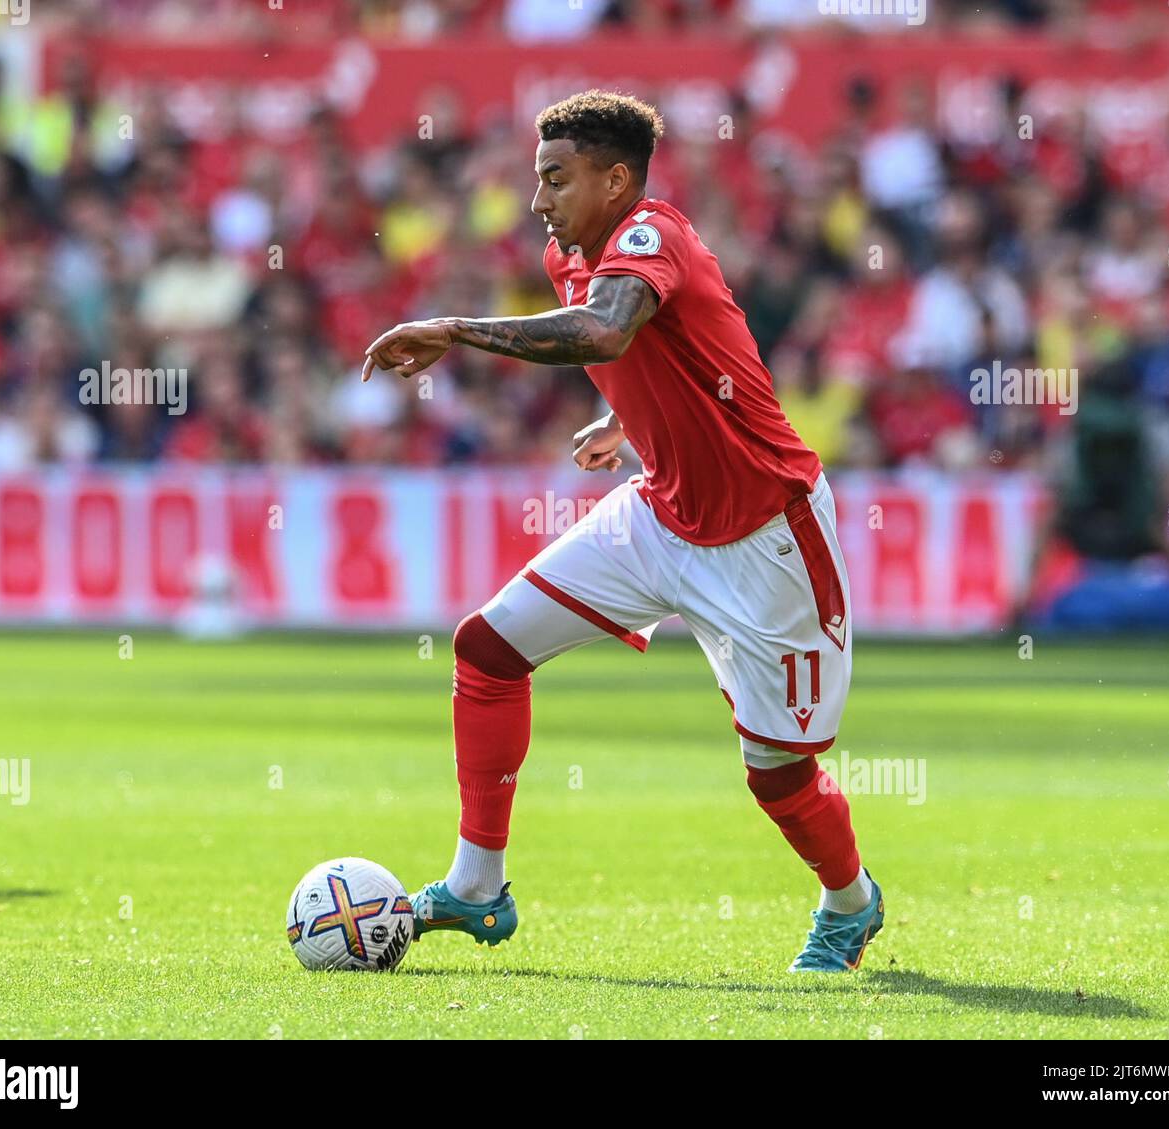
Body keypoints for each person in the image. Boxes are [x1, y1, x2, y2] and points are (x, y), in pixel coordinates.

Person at [362, 90, 883, 972]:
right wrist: (636, 426)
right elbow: (693, 352)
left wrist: (453, 328)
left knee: (778, 775)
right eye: (537, 180)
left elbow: (607, 333)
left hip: (769, 536)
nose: (539, 201)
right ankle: (477, 885)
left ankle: (850, 901)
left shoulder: (651, 232)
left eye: (556, 180)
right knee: (487, 648)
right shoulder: (572, 254)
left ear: (615, 179)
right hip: (660, 512)